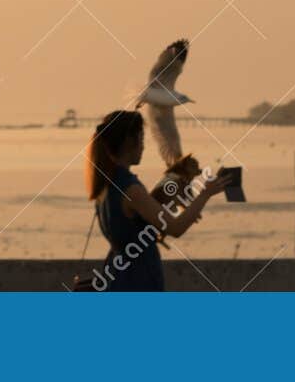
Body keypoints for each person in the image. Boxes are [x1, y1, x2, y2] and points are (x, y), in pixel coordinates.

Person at [85, 109, 230, 291]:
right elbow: (175, 228)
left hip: (117, 275)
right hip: (137, 280)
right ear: (131, 141)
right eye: (142, 139)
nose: (144, 147)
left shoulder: (105, 185)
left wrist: (179, 206)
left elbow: (134, 228)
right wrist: (205, 194)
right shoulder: (131, 189)